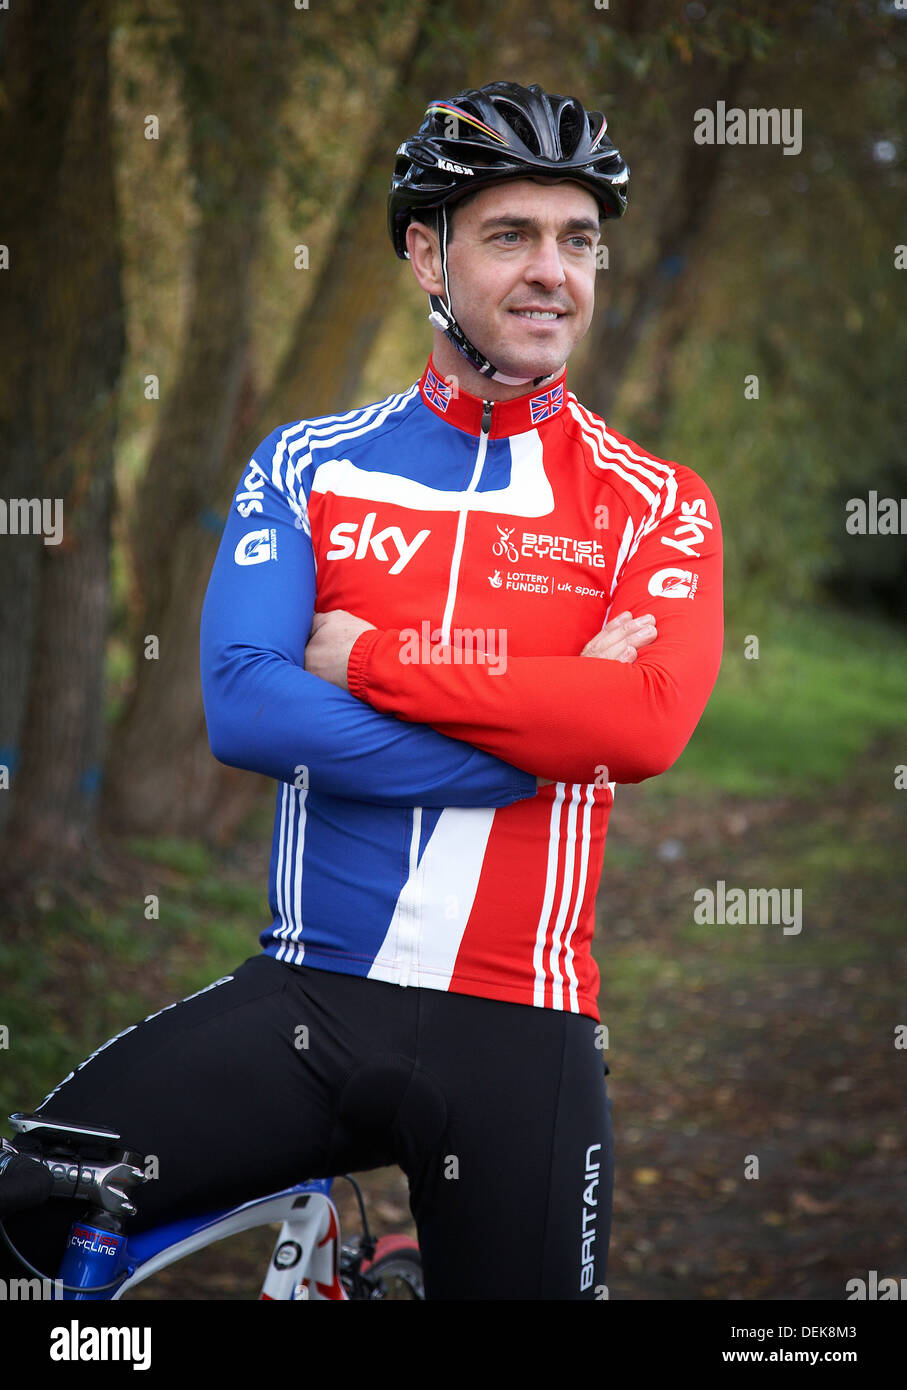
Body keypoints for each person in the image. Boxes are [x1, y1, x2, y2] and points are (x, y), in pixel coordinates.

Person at [0, 82, 722, 1299]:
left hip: (521, 1028)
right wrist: (532, 743)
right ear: (425, 253)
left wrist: (372, 666)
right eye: (512, 235)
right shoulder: (308, 462)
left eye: (578, 239)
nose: (554, 272)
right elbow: (245, 708)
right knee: (28, 1205)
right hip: (304, 1001)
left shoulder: (656, 503)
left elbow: (639, 725)